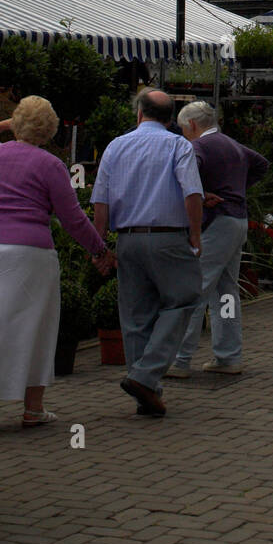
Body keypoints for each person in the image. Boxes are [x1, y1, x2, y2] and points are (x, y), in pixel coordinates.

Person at [0, 97, 114, 430]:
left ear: (15, 122)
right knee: (36, 326)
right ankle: (32, 408)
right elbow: (73, 219)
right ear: (50, 131)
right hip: (31, 254)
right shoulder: (50, 165)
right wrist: (99, 250)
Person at [91, 90, 204, 418]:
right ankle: (145, 376)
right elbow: (192, 192)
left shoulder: (116, 146)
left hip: (128, 239)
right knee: (182, 300)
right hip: (169, 238)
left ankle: (147, 391)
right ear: (171, 118)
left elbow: (101, 201)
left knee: (136, 316)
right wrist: (195, 235)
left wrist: (100, 247)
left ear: (140, 113)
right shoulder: (178, 145)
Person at [166, 101, 269, 378]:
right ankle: (228, 355)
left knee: (195, 286)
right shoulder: (232, 145)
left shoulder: (197, 147)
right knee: (226, 290)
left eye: (183, 127)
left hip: (217, 222)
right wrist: (238, 188)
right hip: (238, 219)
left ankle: (179, 359)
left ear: (192, 125)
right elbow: (260, 164)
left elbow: (187, 176)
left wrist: (203, 193)